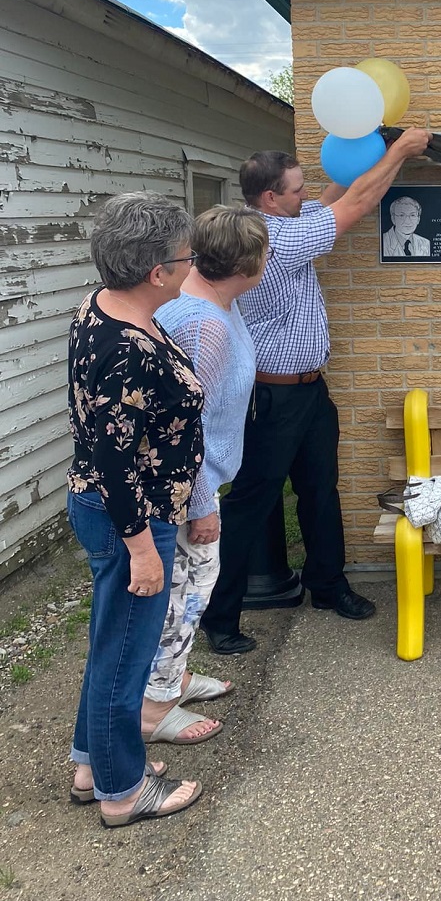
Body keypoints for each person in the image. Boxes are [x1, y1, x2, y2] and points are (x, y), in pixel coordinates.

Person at [200, 129, 431, 654]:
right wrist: (399, 152)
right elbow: (356, 203)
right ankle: (220, 616)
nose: (308, 194)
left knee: (321, 491)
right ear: (269, 199)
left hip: (309, 393)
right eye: (297, 189)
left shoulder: (282, 222)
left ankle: (327, 586)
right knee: (252, 504)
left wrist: (365, 156)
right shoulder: (273, 241)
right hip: (271, 398)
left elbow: (329, 201)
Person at [67, 192, 203, 827]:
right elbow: (115, 460)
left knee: (109, 642)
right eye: (186, 258)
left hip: (124, 506)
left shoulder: (107, 309)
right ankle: (121, 793)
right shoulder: (124, 347)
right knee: (126, 655)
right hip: (131, 516)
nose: (191, 266)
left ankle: (92, 761)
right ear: (157, 273)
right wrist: (143, 549)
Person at [139, 206, 269, 743]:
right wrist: (201, 505)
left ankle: (174, 678)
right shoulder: (201, 326)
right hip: (184, 492)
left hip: (196, 482)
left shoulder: (213, 300)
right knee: (185, 594)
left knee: (189, 589)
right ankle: (153, 710)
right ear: (247, 264)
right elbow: (179, 429)